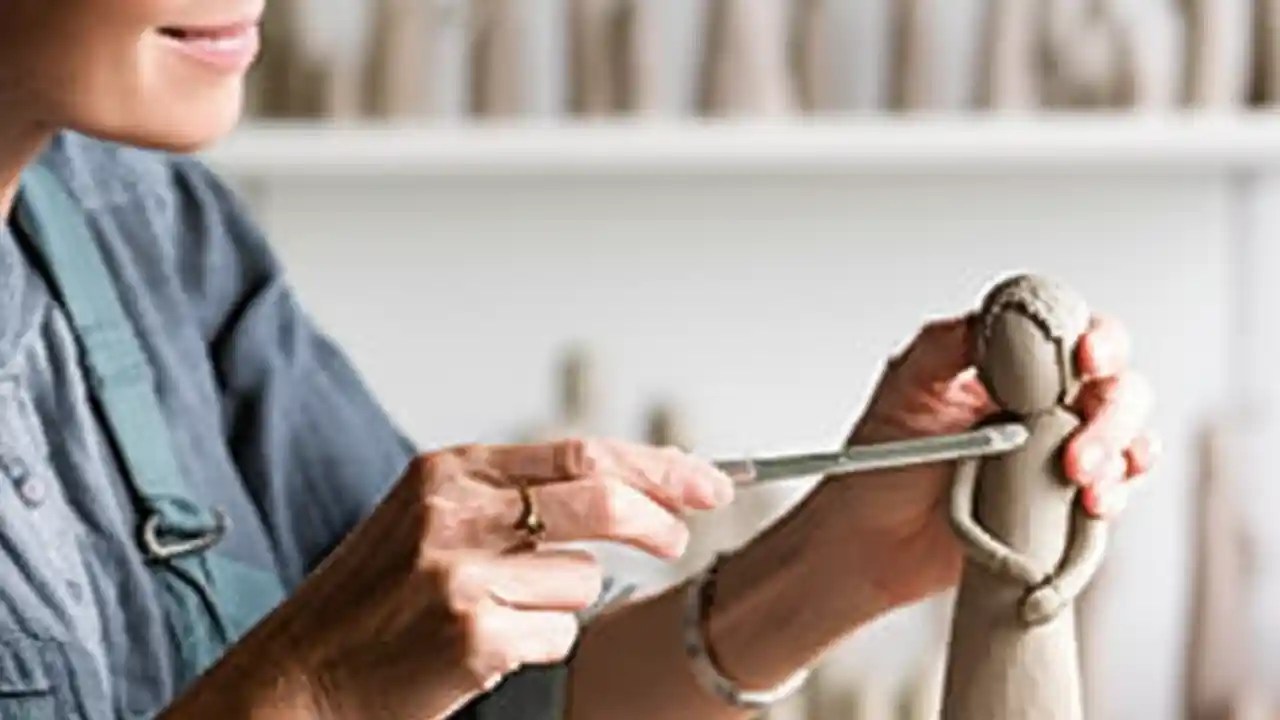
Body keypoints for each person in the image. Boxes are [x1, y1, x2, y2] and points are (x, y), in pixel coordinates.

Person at [0, 2, 1157, 719]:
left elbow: (477, 698)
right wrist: (311, 694)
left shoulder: (148, 230)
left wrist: (835, 564)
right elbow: (354, 684)